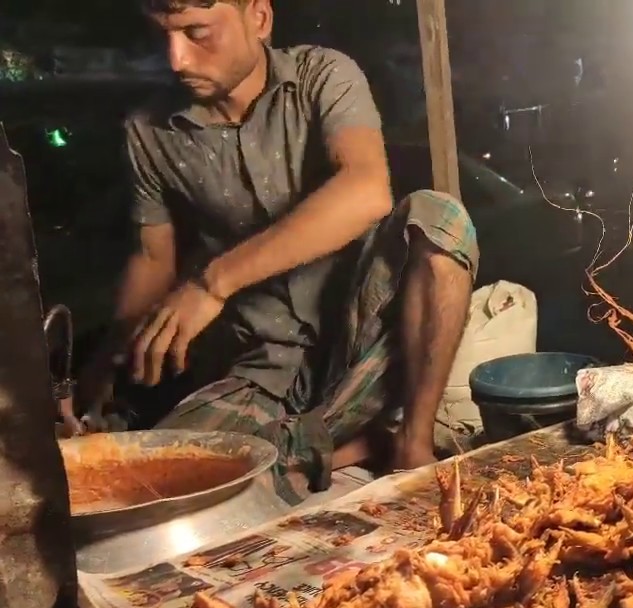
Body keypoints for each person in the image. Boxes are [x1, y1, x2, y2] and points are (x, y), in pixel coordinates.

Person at [77, 0, 477, 499]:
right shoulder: (148, 132)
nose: (176, 59)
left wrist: (212, 283)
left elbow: (367, 190)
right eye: (162, 37)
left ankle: (412, 442)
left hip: (361, 346)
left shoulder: (323, 75)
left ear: (259, 19)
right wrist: (100, 369)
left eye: (197, 33)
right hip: (262, 366)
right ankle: (350, 443)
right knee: (167, 481)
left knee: (440, 218)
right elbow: (153, 259)